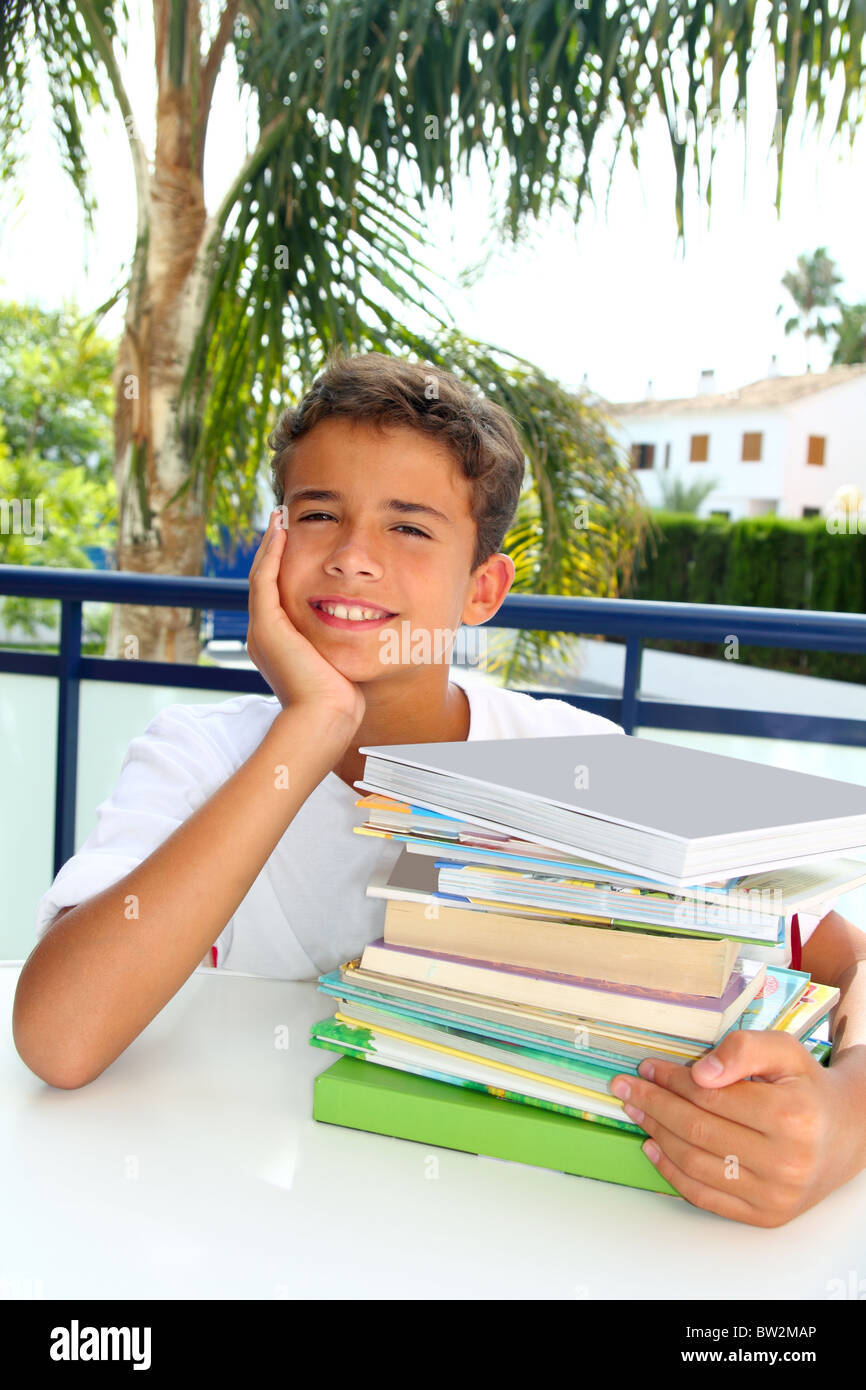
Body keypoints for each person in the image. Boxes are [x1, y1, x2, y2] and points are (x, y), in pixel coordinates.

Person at [12, 350, 866, 1229]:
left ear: (482, 587)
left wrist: (849, 1119)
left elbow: (847, 952)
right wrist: (309, 727)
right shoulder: (193, 759)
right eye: (318, 515)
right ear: (272, 544)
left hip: (502, 1227)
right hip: (236, 1221)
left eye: (409, 529)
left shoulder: (577, 760)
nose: (352, 559)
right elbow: (59, 1040)